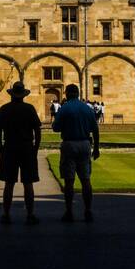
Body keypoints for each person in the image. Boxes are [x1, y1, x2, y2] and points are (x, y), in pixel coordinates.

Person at [0, 80, 41, 225]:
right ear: (23, 95)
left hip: (10, 147)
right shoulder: (29, 109)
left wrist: (1, 148)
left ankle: (6, 215)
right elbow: (37, 131)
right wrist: (35, 148)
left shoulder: (4, 109)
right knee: (28, 183)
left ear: (12, 95)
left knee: (9, 183)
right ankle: (30, 215)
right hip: (27, 148)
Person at [52, 83, 100, 223]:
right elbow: (95, 129)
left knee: (69, 181)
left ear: (66, 93)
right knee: (86, 180)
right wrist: (96, 148)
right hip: (85, 144)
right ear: (78, 93)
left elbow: (55, 128)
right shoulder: (86, 108)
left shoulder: (64, 108)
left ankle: (69, 212)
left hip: (69, 144)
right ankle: (88, 211)